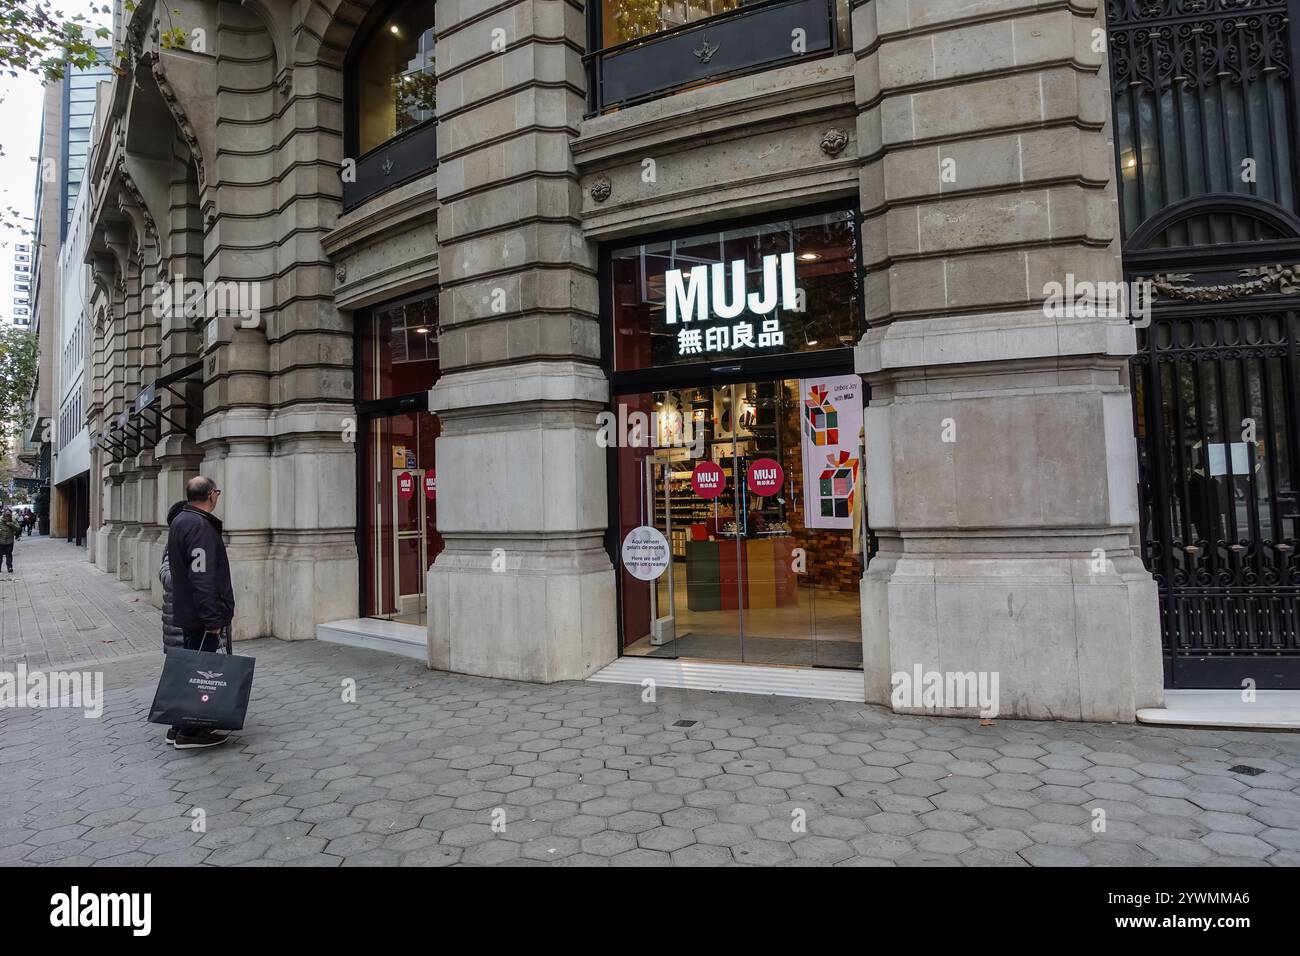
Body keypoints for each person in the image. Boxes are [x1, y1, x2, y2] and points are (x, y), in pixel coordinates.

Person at [165, 476, 235, 750]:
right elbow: (202, 576)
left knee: (191, 668)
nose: (217, 496)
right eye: (216, 491)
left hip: (189, 612)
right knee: (201, 672)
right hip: (200, 615)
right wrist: (212, 619)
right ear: (210, 495)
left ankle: (178, 726)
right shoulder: (199, 526)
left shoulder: (181, 521)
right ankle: (190, 732)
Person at [158, 499, 188, 745]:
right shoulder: (177, 543)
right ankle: (183, 728)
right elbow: (167, 575)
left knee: (185, 675)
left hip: (180, 621)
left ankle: (179, 727)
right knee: (189, 675)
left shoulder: (180, 540)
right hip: (182, 622)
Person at [0, 508, 19, 572]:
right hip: (0, 541)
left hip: (9, 541)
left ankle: (9, 567)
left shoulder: (13, 520)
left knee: (9, 555)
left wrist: (11, 524)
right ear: (4, 514)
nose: (7, 517)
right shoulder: (0, 520)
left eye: (9, 516)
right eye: (6, 515)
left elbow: (18, 529)